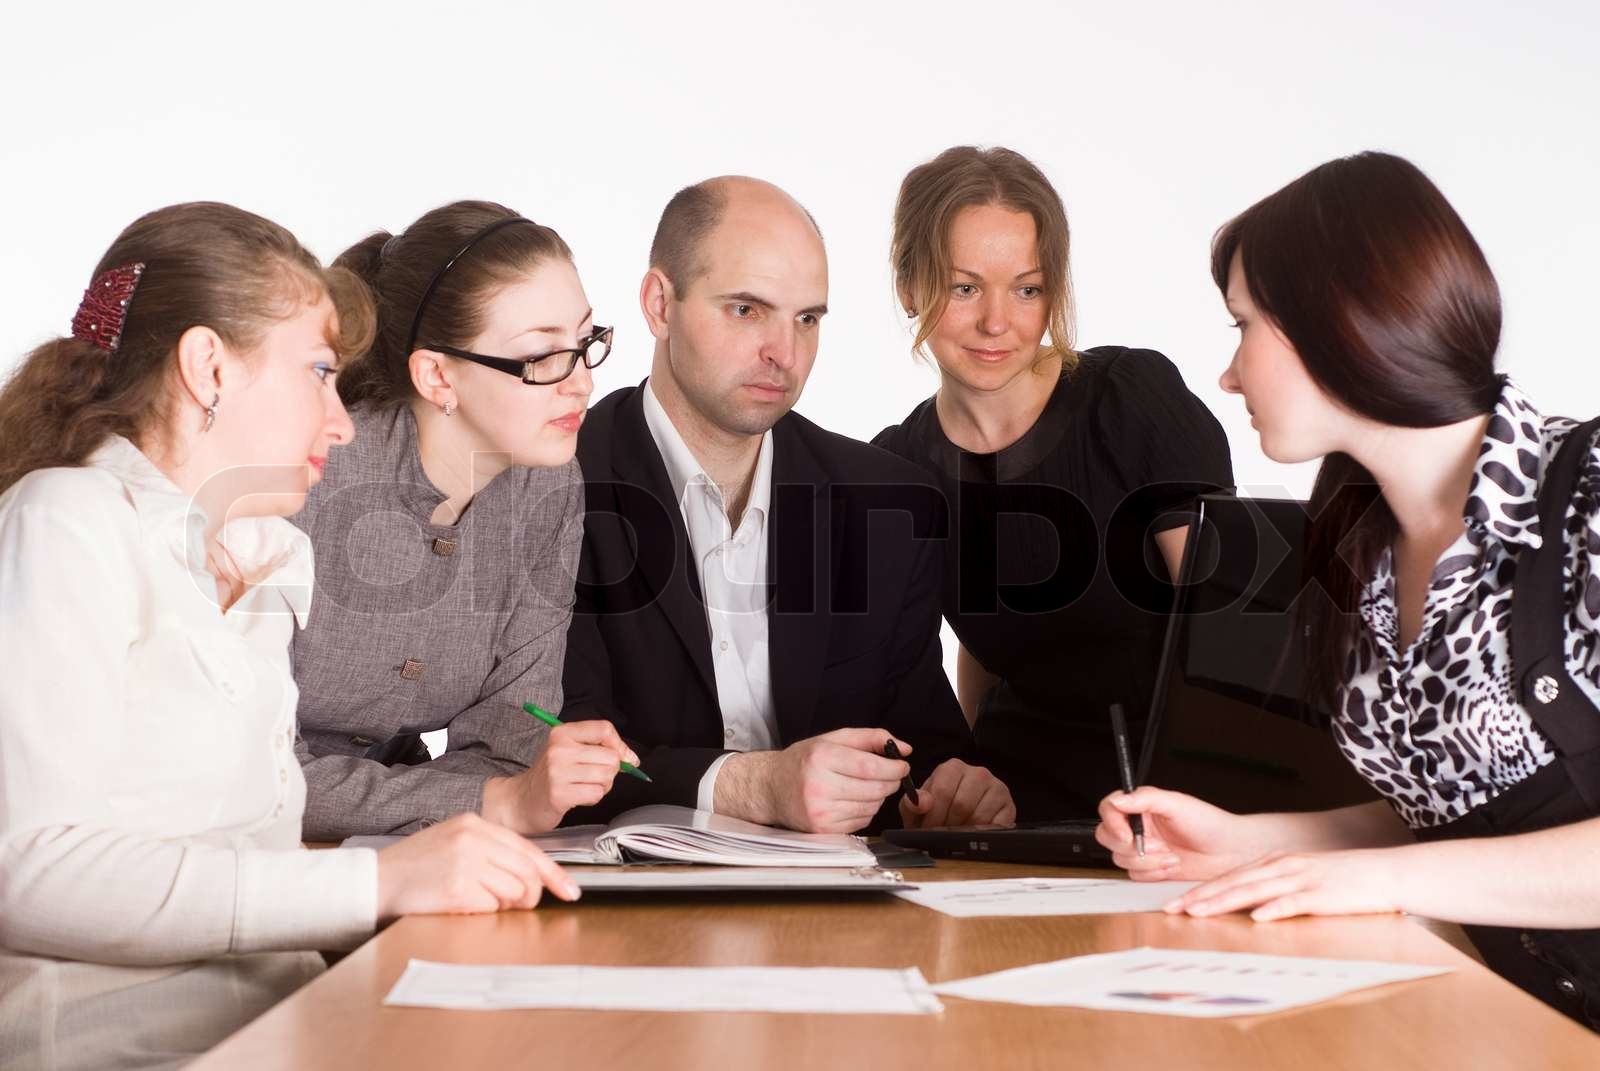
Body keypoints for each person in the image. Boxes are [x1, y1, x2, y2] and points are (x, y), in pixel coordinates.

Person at [0, 203, 578, 1070]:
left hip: (283, 1014)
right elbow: (31, 873)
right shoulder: (66, 520)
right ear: (208, 368)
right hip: (118, 1038)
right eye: (316, 372)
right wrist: (382, 881)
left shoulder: (266, 553)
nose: (342, 421)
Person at [1096, 151, 1600, 1029]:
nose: (1228, 373)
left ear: (1337, 320)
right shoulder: (1356, 553)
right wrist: (1241, 841)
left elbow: (1427, 862)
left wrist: (1374, 881)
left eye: (1241, 325)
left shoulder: (1588, 491)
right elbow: (1446, 816)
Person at [562, 176, 1011, 834]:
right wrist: (750, 784)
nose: (785, 352)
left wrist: (949, 791)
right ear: (659, 305)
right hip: (624, 918)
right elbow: (545, 758)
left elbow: (920, 750)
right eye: (746, 310)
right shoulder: (553, 490)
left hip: (842, 919)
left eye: (806, 318)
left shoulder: (887, 503)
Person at [873, 146, 1234, 820]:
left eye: (1027, 288)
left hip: (1178, 803)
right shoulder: (896, 470)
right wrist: (970, 792)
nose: (996, 322)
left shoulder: (1130, 401)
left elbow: (1227, 637)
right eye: (964, 287)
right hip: (1016, 811)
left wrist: (1210, 818)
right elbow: (978, 662)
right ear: (909, 288)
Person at [290, 201, 634, 841]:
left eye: (587, 342)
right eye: (543, 357)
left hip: (403, 850)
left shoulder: (550, 485)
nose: (582, 382)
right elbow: (256, 776)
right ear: (438, 376)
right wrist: (493, 803)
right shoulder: (307, 474)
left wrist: (517, 788)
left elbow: (511, 736)